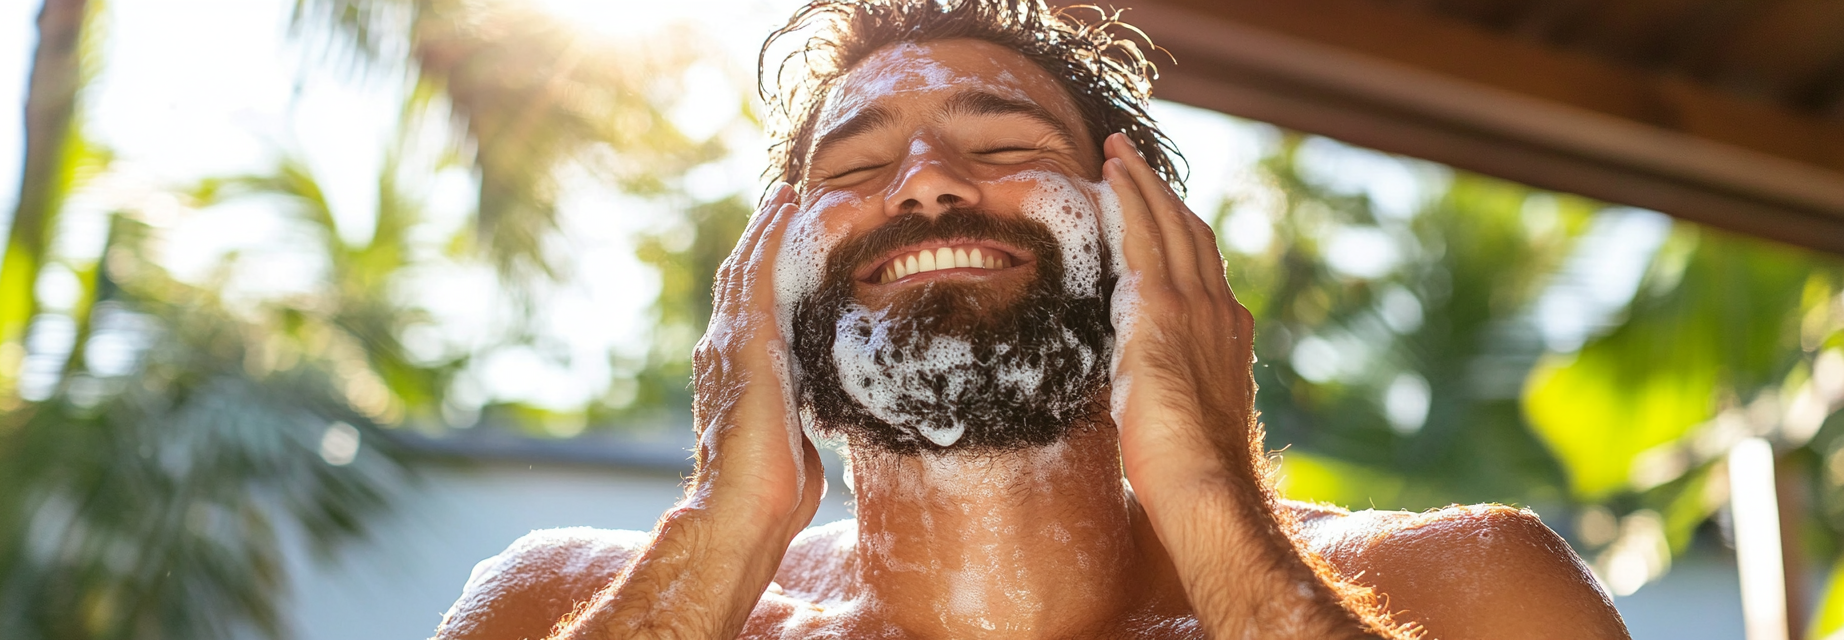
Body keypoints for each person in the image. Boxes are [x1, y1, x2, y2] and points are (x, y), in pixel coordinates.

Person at [433, 1, 1632, 638]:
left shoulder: (1465, 594)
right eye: (852, 169)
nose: (922, 183)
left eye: (1003, 144)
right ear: (765, 277)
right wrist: (717, 532)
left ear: (1149, 244)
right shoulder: (555, 607)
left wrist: (1214, 506)